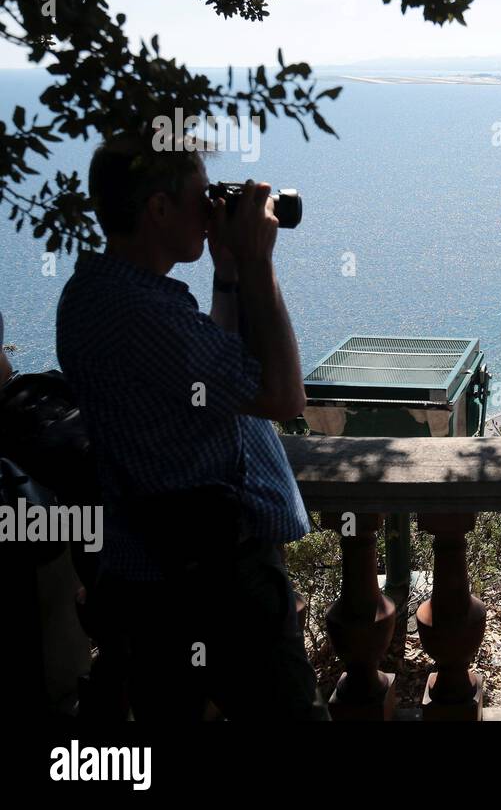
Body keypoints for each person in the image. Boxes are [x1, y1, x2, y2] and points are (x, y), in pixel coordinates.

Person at [55, 142, 327, 720]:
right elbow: (283, 396)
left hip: (152, 579)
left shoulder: (94, 294)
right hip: (216, 589)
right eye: (201, 197)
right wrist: (258, 263)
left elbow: (206, 382)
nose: (211, 211)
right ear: (157, 210)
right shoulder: (141, 311)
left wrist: (227, 279)